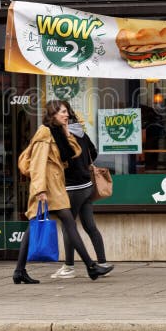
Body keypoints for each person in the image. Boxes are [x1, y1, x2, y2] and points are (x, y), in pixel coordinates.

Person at [14, 100, 113, 284]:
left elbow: (73, 152)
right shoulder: (44, 134)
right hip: (47, 188)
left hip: (55, 186)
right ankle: (91, 266)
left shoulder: (58, 132)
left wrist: (67, 132)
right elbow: (37, 166)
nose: (66, 115)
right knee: (66, 224)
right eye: (62, 112)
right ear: (53, 115)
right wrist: (40, 190)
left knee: (35, 228)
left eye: (67, 112)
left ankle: (19, 271)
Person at [50, 102, 111, 279]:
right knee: (89, 225)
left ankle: (69, 267)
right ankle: (103, 262)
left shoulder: (62, 134)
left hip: (71, 186)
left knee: (68, 226)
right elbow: (93, 152)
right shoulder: (81, 132)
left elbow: (64, 159)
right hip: (87, 185)